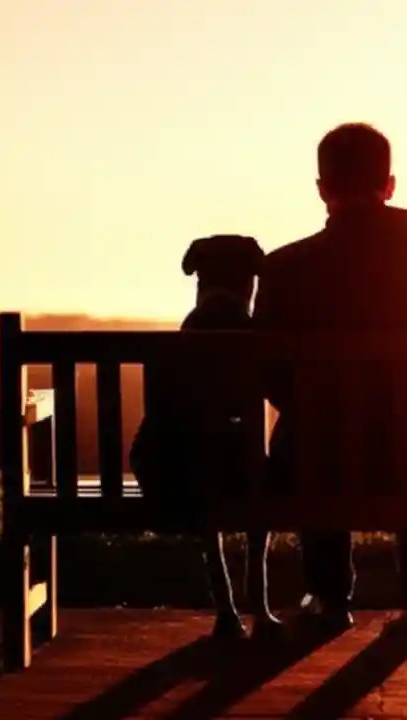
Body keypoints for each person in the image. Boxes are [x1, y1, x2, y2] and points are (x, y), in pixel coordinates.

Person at [255, 123, 407, 630]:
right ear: (390, 184)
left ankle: (329, 593)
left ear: (322, 188)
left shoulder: (284, 269)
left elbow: (270, 381)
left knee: (307, 438)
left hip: (318, 465)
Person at [129, 233, 281, 640]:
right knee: (249, 467)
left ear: (200, 279)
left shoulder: (187, 334)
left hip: (169, 476)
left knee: (200, 464)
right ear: (249, 283)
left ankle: (226, 609)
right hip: (233, 473)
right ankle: (259, 605)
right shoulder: (252, 338)